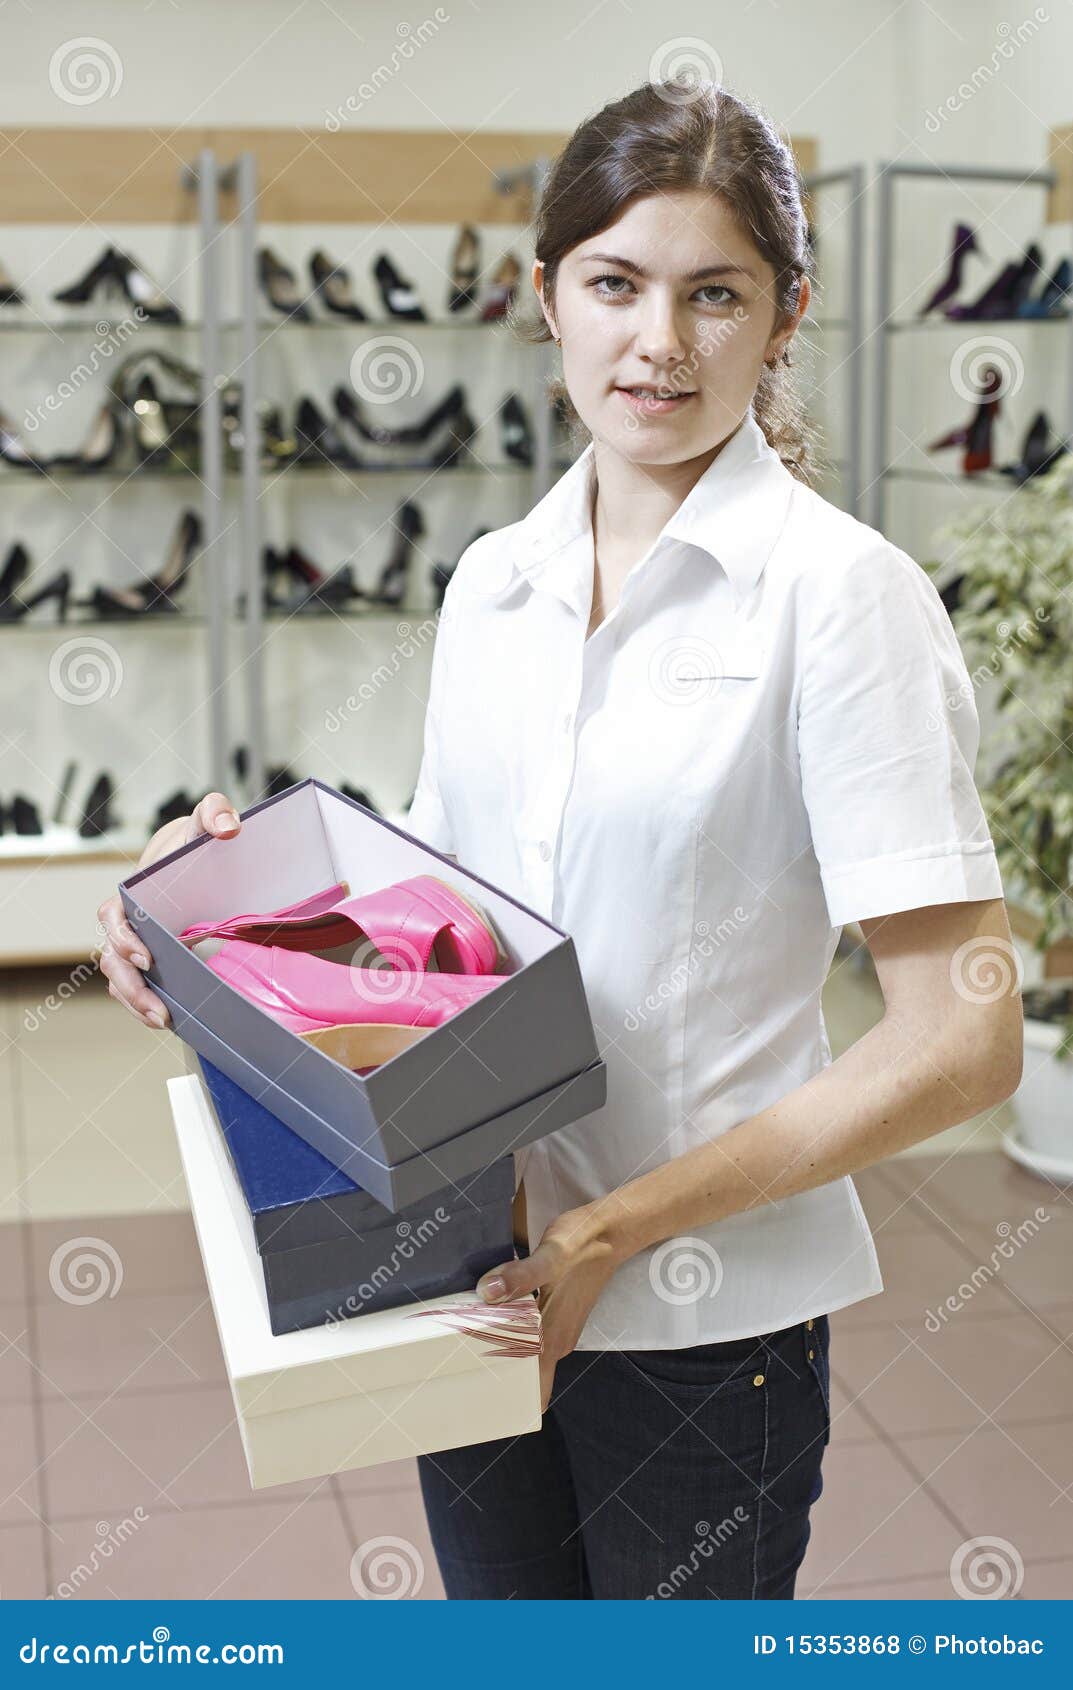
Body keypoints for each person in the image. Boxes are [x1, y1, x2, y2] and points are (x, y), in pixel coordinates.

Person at [98, 81, 1024, 1601]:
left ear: (783, 315)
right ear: (545, 299)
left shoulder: (837, 598)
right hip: (470, 1274)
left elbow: (961, 1041)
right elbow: (443, 936)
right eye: (613, 284)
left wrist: (614, 1227)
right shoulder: (493, 582)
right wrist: (223, 918)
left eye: (712, 293)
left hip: (702, 1322)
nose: (658, 341)